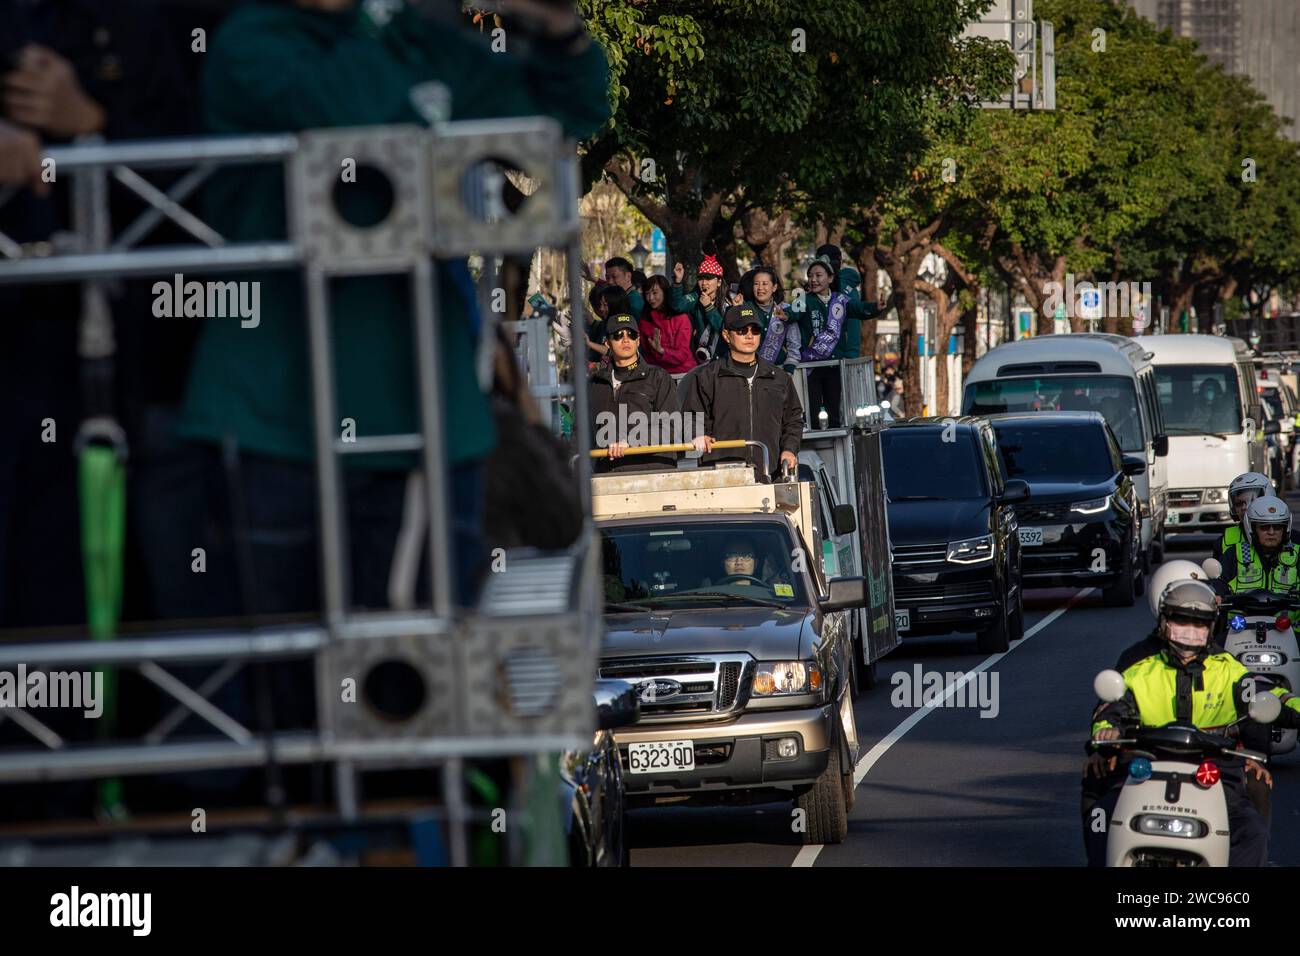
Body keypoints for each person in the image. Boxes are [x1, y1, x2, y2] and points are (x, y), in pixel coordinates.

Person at [178, 0, 610, 627]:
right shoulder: (252, 41)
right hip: (278, 423)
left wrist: (556, 27)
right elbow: (346, 113)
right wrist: (406, 43)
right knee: (288, 685)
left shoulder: (410, 38)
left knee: (416, 688)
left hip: (431, 423)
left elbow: (566, 115)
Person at [1084, 578, 1300, 866]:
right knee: (1100, 816)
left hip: (1217, 772)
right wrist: (1106, 733)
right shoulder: (1140, 669)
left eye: (1199, 623)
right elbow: (1110, 707)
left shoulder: (1229, 671)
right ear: (1164, 621)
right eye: (1182, 620)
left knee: (1253, 834)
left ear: (1211, 627)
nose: (1191, 630)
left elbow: (1270, 695)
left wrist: (1289, 706)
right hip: (1145, 767)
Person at [683, 304, 803, 480]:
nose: (749, 335)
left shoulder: (778, 377)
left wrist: (789, 450)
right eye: (741, 330)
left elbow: (793, 420)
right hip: (722, 477)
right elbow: (691, 416)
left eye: (755, 330)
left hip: (771, 474)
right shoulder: (708, 376)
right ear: (726, 335)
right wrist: (698, 435)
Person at [791, 255, 880, 426]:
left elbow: (858, 309)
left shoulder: (840, 299)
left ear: (830, 278)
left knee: (834, 409)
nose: (814, 280)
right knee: (813, 410)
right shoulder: (803, 298)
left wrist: (876, 307)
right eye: (810, 276)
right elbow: (793, 313)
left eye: (819, 275)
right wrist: (785, 314)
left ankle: (834, 439)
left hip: (833, 364)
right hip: (812, 365)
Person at [589, 314, 680, 472]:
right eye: (618, 335)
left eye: (631, 335)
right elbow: (582, 432)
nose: (626, 340)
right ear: (607, 343)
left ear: (638, 341)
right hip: (607, 476)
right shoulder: (593, 383)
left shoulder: (659, 377)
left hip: (653, 475)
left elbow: (671, 427)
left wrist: (630, 442)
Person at [1213, 495, 1300, 596]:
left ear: (1285, 530)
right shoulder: (1235, 554)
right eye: (1264, 527)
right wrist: (1217, 596)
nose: (1271, 532)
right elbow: (1218, 586)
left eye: (1277, 527)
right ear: (1253, 529)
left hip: (1288, 611)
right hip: (1243, 611)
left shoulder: (1297, 554)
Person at [1214, 472, 1297, 563]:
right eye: (1239, 503)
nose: (1244, 507)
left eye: (1252, 500)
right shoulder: (1223, 542)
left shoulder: (1293, 538)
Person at [730, 265, 800, 372]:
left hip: (781, 372)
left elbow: (794, 346)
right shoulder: (744, 309)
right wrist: (736, 310)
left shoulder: (785, 310)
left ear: (774, 287)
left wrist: (789, 370)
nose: (760, 288)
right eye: (756, 284)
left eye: (765, 284)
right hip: (751, 373)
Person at [670, 254, 726, 361]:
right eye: (701, 278)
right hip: (698, 358)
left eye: (709, 278)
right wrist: (678, 281)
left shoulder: (728, 301)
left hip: (722, 358)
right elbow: (677, 306)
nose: (704, 283)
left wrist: (709, 307)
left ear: (719, 282)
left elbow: (725, 330)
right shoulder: (695, 296)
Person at [638, 274, 696, 374]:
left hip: (682, 374)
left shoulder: (680, 318)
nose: (650, 298)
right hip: (656, 374)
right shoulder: (645, 319)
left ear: (665, 293)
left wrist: (661, 351)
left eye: (655, 293)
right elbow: (646, 354)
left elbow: (682, 354)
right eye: (647, 293)